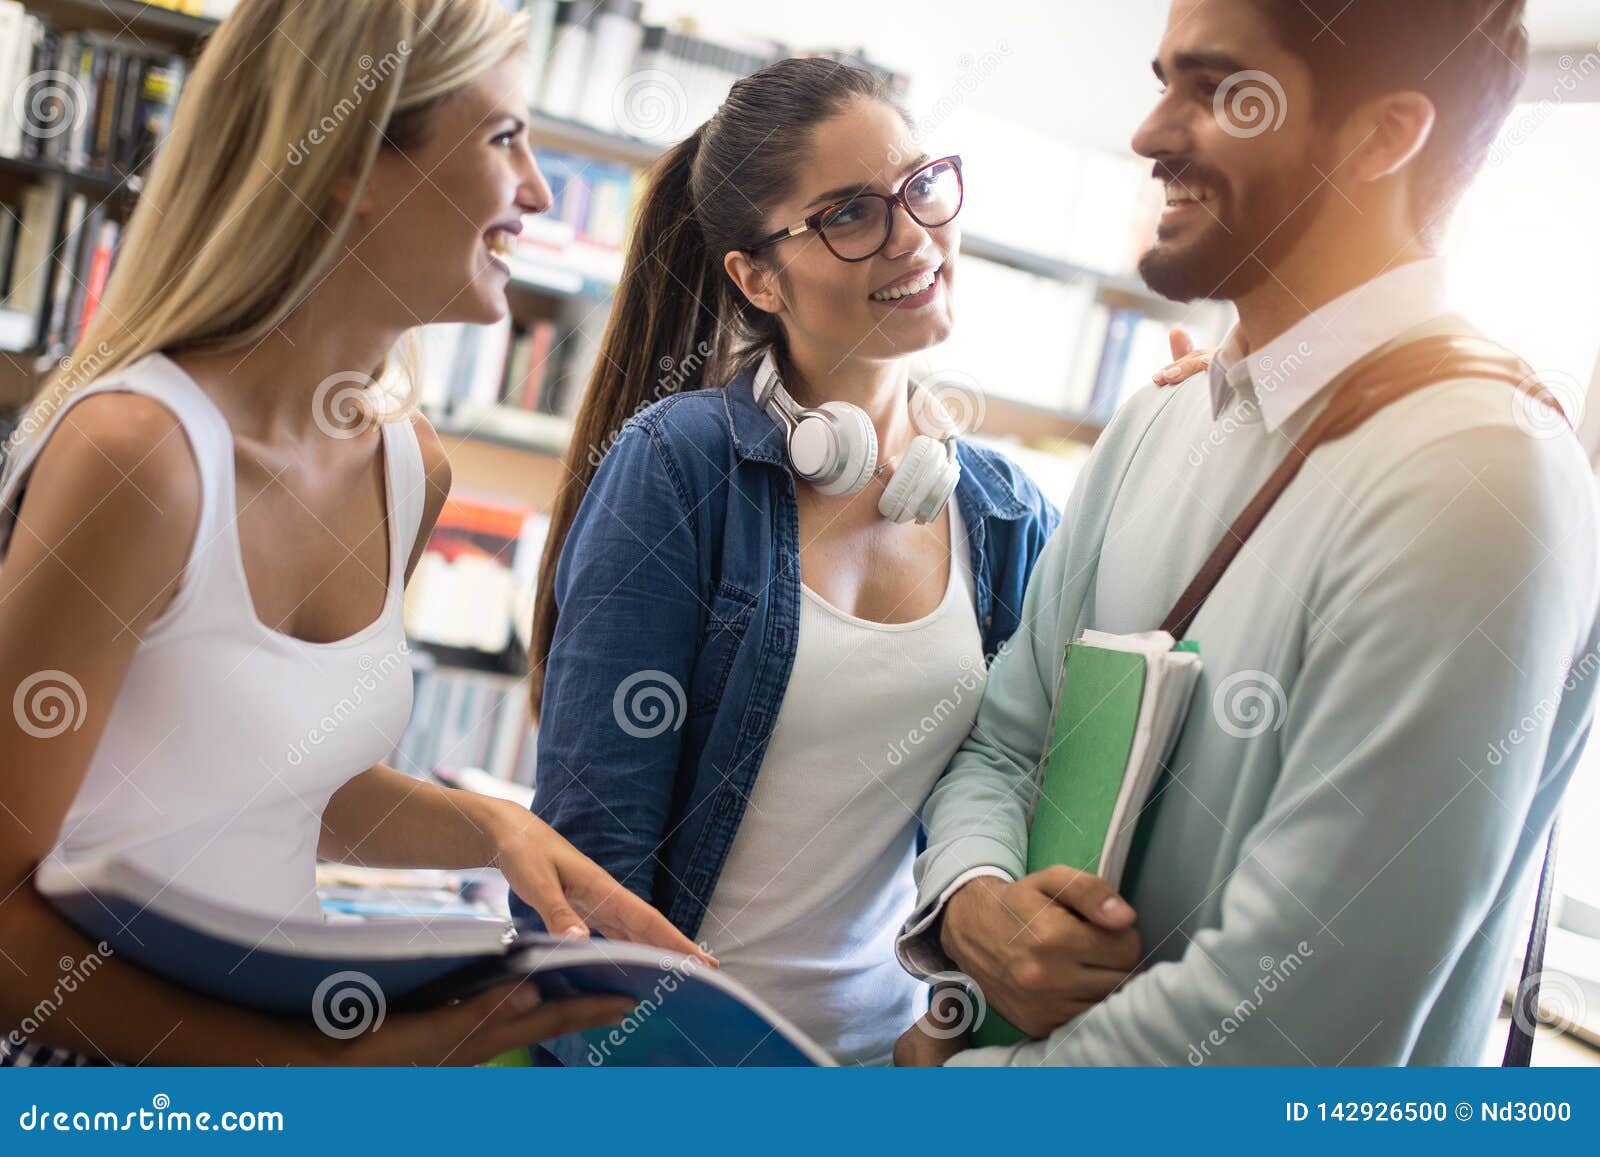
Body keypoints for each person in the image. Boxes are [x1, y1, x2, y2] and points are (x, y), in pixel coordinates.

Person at [0, 0, 709, 1068]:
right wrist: (316, 1073)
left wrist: (496, 832)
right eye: (505, 137)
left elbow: (265, 772)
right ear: (354, 161)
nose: (538, 192)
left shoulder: (407, 467)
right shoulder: (139, 455)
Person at [894, 0, 1600, 1066]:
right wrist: (973, 898)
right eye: (1164, 78)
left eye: (1219, 90)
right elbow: (1003, 741)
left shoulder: (1478, 475)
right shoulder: (1156, 423)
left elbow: (1293, 1023)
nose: (1147, 133)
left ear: (1381, 135)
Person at [516, 53, 1182, 1066]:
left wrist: (1203, 428)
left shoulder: (1002, 514)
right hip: (665, 1065)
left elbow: (1010, 807)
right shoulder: (678, 466)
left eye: (919, 187)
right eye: (849, 213)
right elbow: (583, 866)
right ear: (754, 274)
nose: (913, 235)